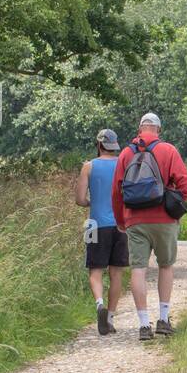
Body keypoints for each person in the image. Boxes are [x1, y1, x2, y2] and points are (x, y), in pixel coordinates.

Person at [110, 112, 187, 342]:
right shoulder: (168, 150)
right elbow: (185, 184)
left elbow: (117, 191)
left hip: (135, 219)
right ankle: (164, 320)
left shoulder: (126, 153)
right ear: (158, 129)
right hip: (165, 218)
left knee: (139, 269)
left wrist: (121, 220)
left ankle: (144, 324)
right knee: (166, 266)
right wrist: (177, 208)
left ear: (139, 129)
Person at [75, 129, 128, 335]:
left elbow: (79, 199)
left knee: (95, 270)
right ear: (115, 146)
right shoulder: (123, 165)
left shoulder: (89, 166)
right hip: (121, 224)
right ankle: (110, 318)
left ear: (98, 145)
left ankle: (99, 304)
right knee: (116, 273)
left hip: (94, 223)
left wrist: (91, 201)